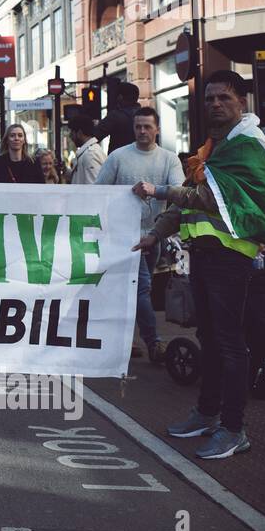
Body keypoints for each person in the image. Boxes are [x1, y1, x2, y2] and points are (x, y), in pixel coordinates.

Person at [133, 70, 265, 460]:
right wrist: (156, 232)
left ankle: (234, 429)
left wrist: (159, 191)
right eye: (209, 99)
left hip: (231, 256)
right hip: (204, 254)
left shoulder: (247, 144)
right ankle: (206, 413)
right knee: (212, 337)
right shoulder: (215, 145)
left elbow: (209, 199)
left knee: (231, 343)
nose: (215, 104)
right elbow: (192, 198)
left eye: (224, 98)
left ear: (241, 103)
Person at [97, 107, 185, 360]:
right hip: (123, 236)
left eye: (147, 126)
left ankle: (121, 341)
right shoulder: (118, 157)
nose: (142, 131)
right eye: (138, 127)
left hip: (155, 234)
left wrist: (154, 189)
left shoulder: (169, 158)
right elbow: (98, 192)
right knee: (142, 288)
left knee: (129, 291)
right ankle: (153, 343)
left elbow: (179, 192)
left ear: (157, 129)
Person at [95, 82, 141, 154]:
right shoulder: (145, 116)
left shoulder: (115, 116)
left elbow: (95, 137)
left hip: (118, 160)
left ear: (120, 97)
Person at [67, 113, 106, 185]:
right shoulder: (89, 152)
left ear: (79, 133)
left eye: (71, 133)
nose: (70, 136)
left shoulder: (90, 155)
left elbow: (93, 188)